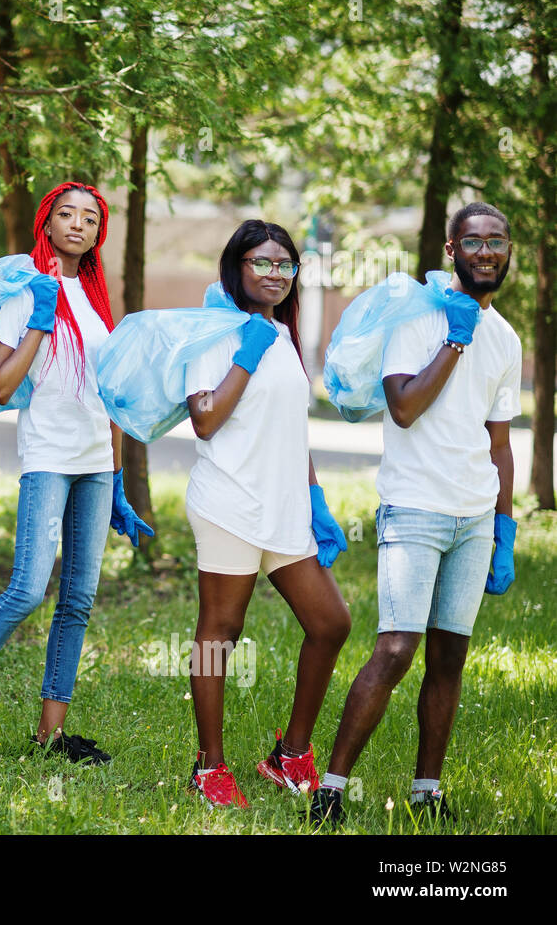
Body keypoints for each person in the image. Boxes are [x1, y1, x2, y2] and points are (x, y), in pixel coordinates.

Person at [0, 182, 152, 765]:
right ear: (47, 223)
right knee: (27, 589)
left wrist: (118, 480)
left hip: (97, 464)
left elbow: (113, 397)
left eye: (90, 218)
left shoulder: (99, 302)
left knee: (78, 600)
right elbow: (1, 385)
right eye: (67, 215)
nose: (78, 224)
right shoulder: (27, 291)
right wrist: (39, 323)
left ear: (100, 233)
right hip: (48, 459)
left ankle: (51, 736)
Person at [310, 203, 521, 827]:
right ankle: (332, 787)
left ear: (507, 252)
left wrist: (504, 528)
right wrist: (455, 339)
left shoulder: (506, 337)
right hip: (414, 508)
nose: (487, 252)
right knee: (398, 648)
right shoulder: (417, 318)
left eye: (498, 242)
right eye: (474, 242)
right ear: (451, 250)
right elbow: (403, 407)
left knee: (449, 658)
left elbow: (501, 443)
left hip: (474, 516)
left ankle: (427, 790)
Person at [182, 221, 352, 808]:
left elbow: (290, 429)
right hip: (229, 500)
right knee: (221, 633)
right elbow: (205, 418)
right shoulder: (215, 332)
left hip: (284, 506)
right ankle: (209, 768)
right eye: (262, 262)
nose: (275, 274)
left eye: (286, 264)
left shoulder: (284, 333)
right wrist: (245, 353)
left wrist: (314, 496)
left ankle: (290, 756)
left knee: (331, 623)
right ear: (237, 267)